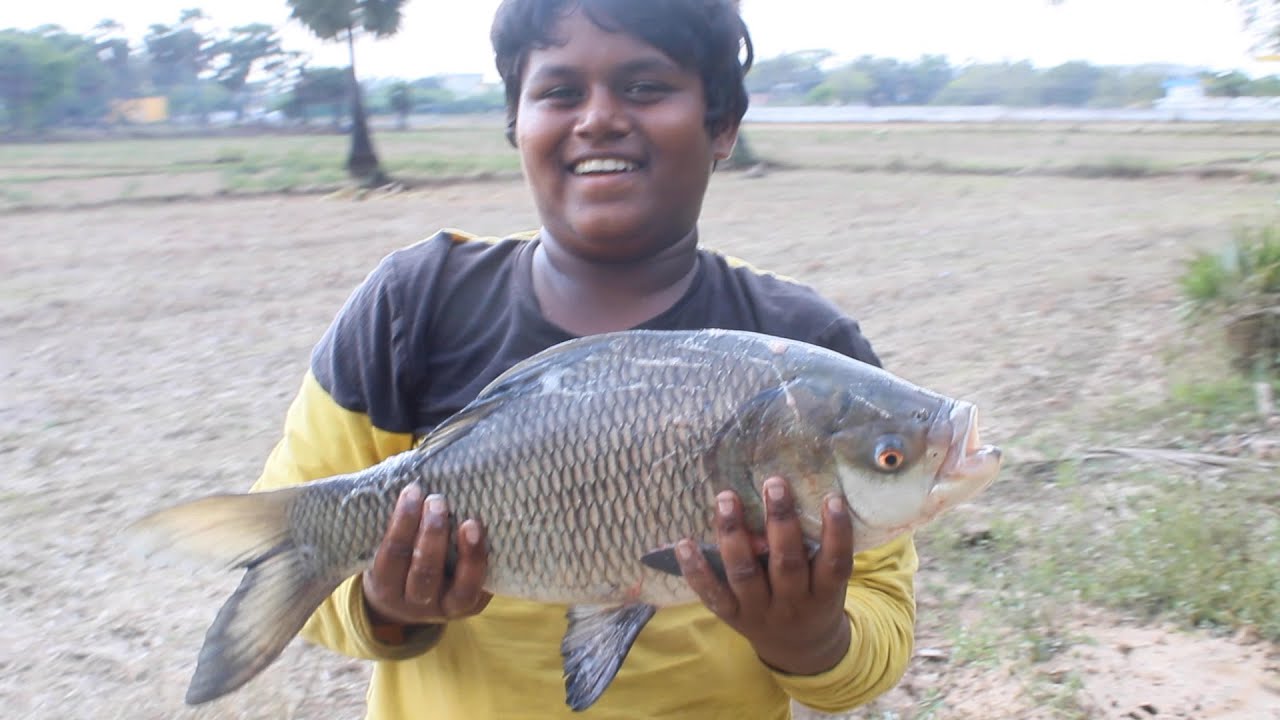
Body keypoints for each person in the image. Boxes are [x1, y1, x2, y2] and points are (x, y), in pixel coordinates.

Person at [250, 0, 917, 717]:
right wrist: (386, 608)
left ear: (722, 124)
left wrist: (813, 639)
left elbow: (881, 620)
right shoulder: (412, 310)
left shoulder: (806, 350)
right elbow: (307, 578)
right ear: (516, 121)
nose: (598, 118)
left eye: (645, 86)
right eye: (560, 91)